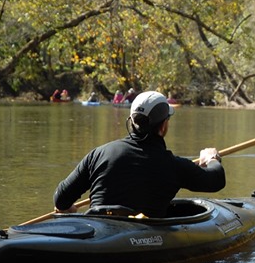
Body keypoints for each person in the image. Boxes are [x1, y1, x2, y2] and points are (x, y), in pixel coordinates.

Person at [53, 91, 225, 218]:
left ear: (132, 121)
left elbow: (60, 200)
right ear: (164, 126)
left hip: (97, 228)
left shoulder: (99, 154)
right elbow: (216, 180)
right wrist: (211, 159)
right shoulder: (173, 166)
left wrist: (67, 207)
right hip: (141, 238)